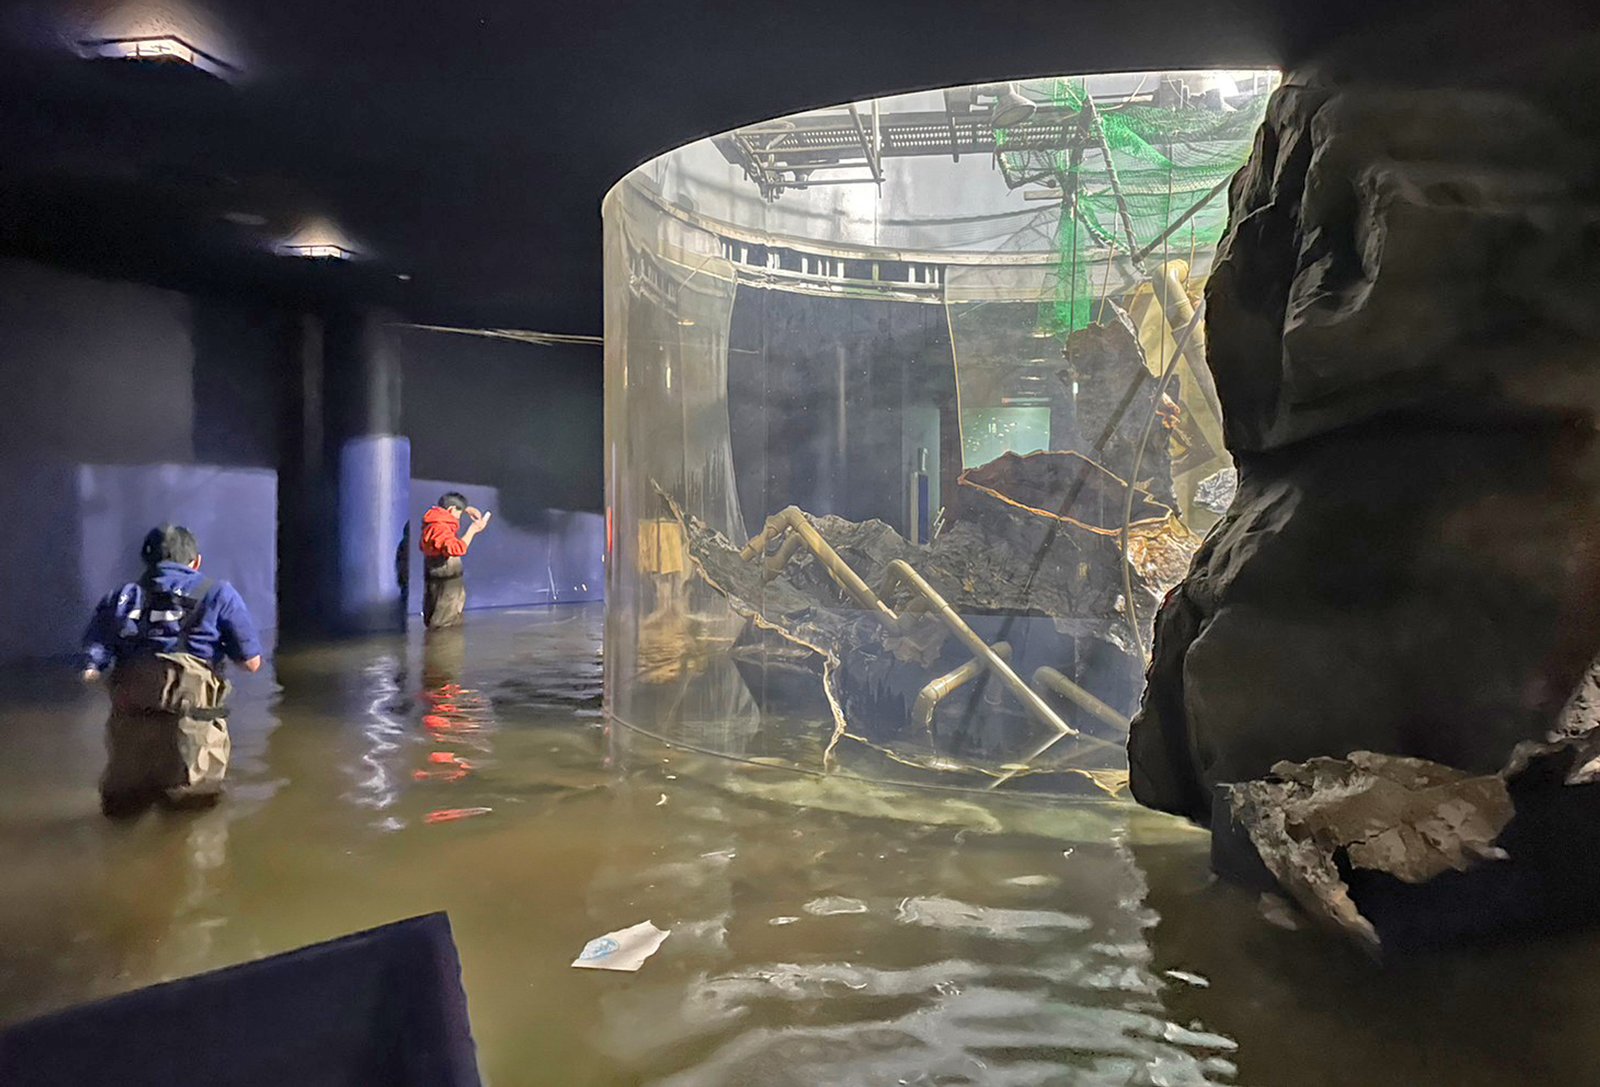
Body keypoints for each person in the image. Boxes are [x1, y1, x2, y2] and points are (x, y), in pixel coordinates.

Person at [81, 525, 263, 817]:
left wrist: (93, 667)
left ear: (146, 560)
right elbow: (251, 663)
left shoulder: (121, 596)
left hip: (132, 732)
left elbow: (94, 653)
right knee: (193, 818)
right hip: (191, 735)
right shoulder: (218, 594)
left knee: (124, 813)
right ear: (196, 561)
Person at [419, 492, 492, 629]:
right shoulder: (440, 527)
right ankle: (443, 642)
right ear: (451, 509)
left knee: (439, 606)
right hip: (445, 572)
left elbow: (451, 513)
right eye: (459, 512)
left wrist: (466, 509)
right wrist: (473, 530)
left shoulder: (435, 519)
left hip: (435, 569)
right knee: (446, 617)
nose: (459, 517)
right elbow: (457, 549)